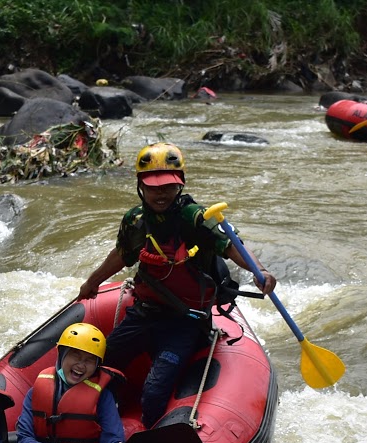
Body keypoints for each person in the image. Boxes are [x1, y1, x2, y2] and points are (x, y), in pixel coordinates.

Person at [77, 142, 275, 428]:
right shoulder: (136, 220)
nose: (161, 193)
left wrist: (260, 271)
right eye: (153, 187)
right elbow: (120, 255)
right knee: (101, 365)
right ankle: (93, 422)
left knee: (154, 391)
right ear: (140, 186)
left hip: (184, 322)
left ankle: (151, 441)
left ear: (180, 184)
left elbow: (232, 246)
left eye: (168, 186)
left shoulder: (195, 218)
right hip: (144, 313)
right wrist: (91, 283)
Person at [15, 323, 126, 443]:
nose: (81, 365)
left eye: (89, 360)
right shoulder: (36, 392)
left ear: (97, 365)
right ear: (62, 354)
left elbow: (111, 440)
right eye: (75, 355)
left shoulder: (103, 397)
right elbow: (24, 441)